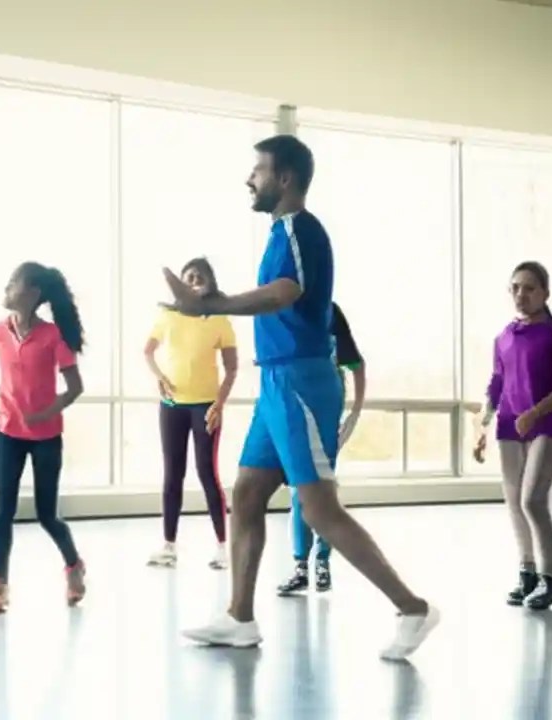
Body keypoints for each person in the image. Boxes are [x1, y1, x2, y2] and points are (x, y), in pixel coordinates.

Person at [167, 135, 438, 660]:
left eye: (258, 170)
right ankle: (239, 618)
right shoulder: (278, 233)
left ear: (284, 178)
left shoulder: (298, 229)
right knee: (246, 494)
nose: (250, 179)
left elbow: (284, 292)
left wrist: (211, 305)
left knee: (318, 509)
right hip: (275, 382)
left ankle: (413, 608)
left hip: (302, 381)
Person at [0, 262, 87, 614]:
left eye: (13, 283)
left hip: (46, 437)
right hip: (8, 432)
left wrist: (45, 413)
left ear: (33, 294)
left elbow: (75, 388)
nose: (6, 288)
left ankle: (74, 566)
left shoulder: (53, 336)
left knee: (46, 514)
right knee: (2, 510)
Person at [472, 262, 552, 611]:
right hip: (509, 425)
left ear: (545, 293)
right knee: (514, 501)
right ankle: (527, 571)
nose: (521, 294)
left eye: (529, 288)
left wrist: (534, 413)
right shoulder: (503, 337)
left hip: (546, 423)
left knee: (534, 499)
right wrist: (482, 423)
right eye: (516, 287)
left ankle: (551, 579)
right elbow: (497, 382)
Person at [144, 257, 238, 570]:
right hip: (172, 406)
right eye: (189, 276)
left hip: (205, 407)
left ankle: (223, 547)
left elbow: (232, 366)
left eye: (200, 276)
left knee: (207, 473)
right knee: (173, 474)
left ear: (210, 282)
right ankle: (169, 546)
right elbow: (147, 350)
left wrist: (219, 404)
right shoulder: (167, 316)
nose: (194, 280)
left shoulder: (219, 319)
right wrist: (158, 375)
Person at [277, 301, 365, 596]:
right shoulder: (282, 310)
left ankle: (322, 562)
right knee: (298, 490)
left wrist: (355, 411)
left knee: (321, 487)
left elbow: (355, 363)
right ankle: (301, 565)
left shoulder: (329, 311)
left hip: (325, 409)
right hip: (292, 406)